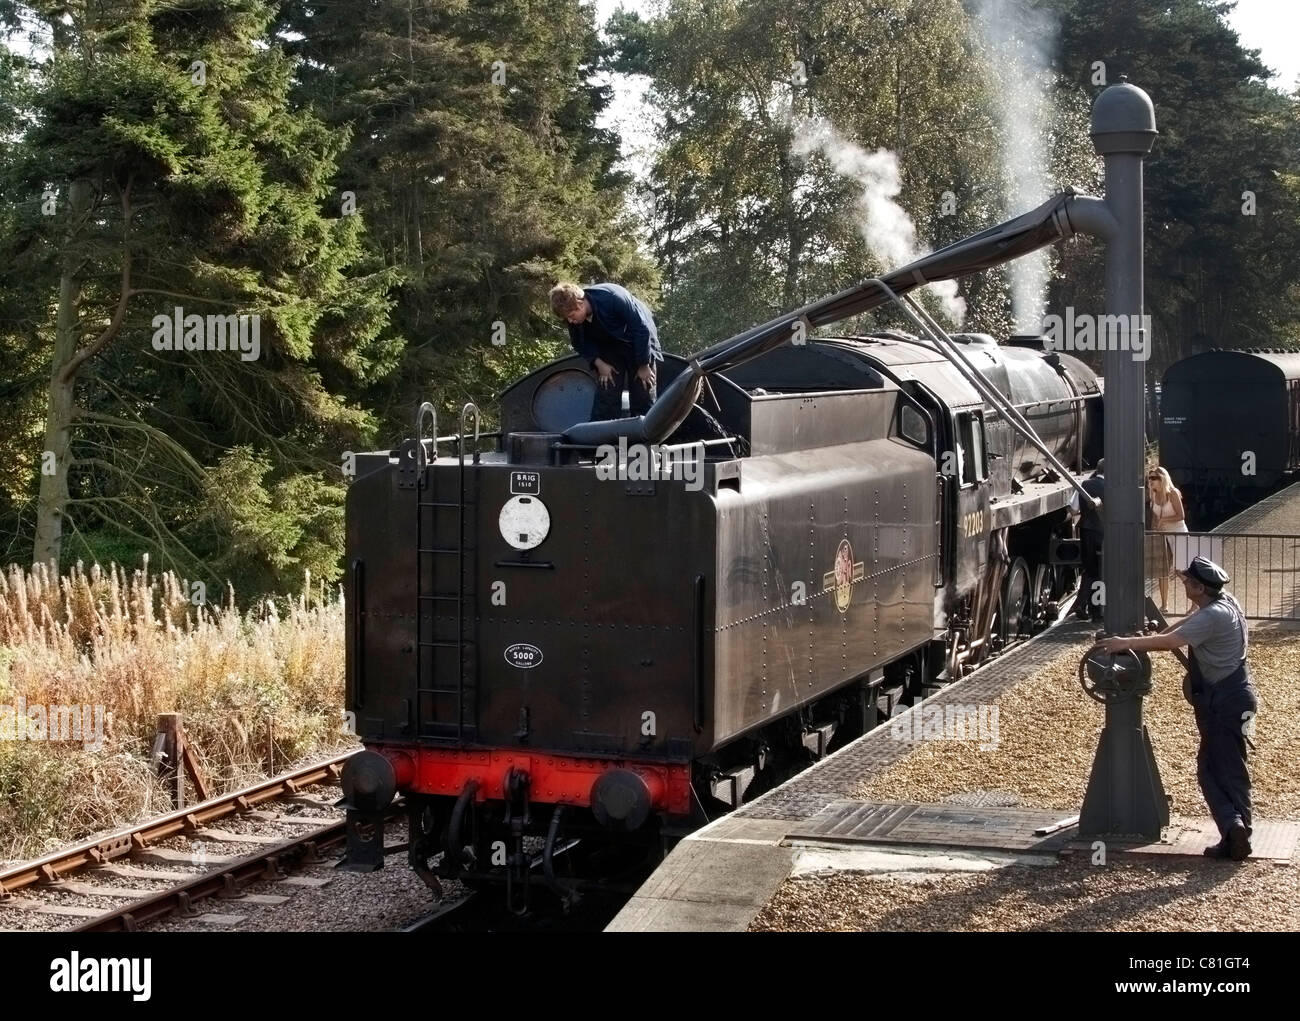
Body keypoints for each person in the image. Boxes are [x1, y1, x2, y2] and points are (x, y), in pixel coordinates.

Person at [1095, 556, 1256, 861]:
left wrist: (1122, 643)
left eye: (1187, 584)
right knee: (1228, 766)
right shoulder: (1224, 603)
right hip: (1236, 695)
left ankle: (1236, 828)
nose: (1184, 587)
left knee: (1215, 769)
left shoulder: (1212, 617)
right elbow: (1188, 623)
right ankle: (1236, 831)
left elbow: (1171, 641)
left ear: (1200, 587)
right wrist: (1142, 637)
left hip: (1222, 700)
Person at [549, 281, 662, 421]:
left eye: (571, 316)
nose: (570, 321)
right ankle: (601, 437)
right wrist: (599, 363)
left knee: (643, 389)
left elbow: (641, 329)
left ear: (580, 303)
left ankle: (645, 438)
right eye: (567, 318)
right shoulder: (572, 318)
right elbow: (578, 343)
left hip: (639, 341)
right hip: (608, 345)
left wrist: (644, 365)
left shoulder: (613, 297)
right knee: (607, 388)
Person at [1148, 465, 1189, 612]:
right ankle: (1164, 605)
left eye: (1154, 478)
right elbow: (1154, 516)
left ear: (1163, 479)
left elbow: (1181, 516)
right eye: (1150, 477)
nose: (1151, 480)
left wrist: (1164, 520)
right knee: (1162, 571)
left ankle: (1195, 603)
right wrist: (1154, 528)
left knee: (1181, 570)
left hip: (1178, 532)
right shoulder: (1152, 494)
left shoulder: (1172, 493)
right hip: (1162, 535)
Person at [1069, 459, 1105, 622]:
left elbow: (1073, 508)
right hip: (1104, 532)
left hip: (1086, 531)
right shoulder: (1114, 486)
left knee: (1089, 569)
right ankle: (1096, 609)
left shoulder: (1085, 484)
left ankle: (1082, 604)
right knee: (1102, 571)